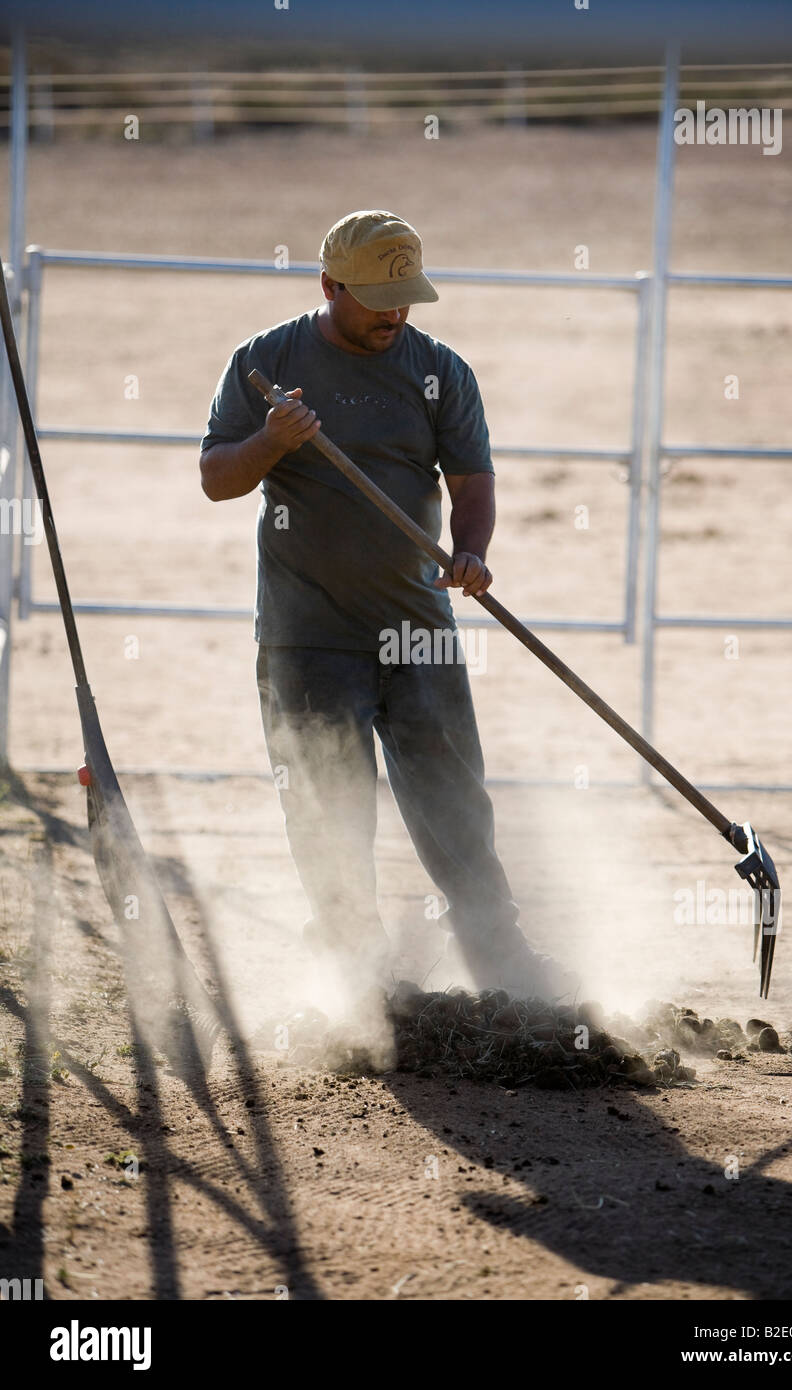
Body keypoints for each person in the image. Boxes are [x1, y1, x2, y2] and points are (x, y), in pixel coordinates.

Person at [199, 209, 569, 999]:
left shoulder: (441, 372)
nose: (394, 313)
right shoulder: (265, 360)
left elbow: (472, 485)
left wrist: (472, 552)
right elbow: (217, 478)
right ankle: (354, 978)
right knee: (328, 812)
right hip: (305, 634)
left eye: (406, 296)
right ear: (329, 285)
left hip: (418, 625)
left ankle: (501, 960)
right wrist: (272, 442)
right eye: (376, 298)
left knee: (454, 800)